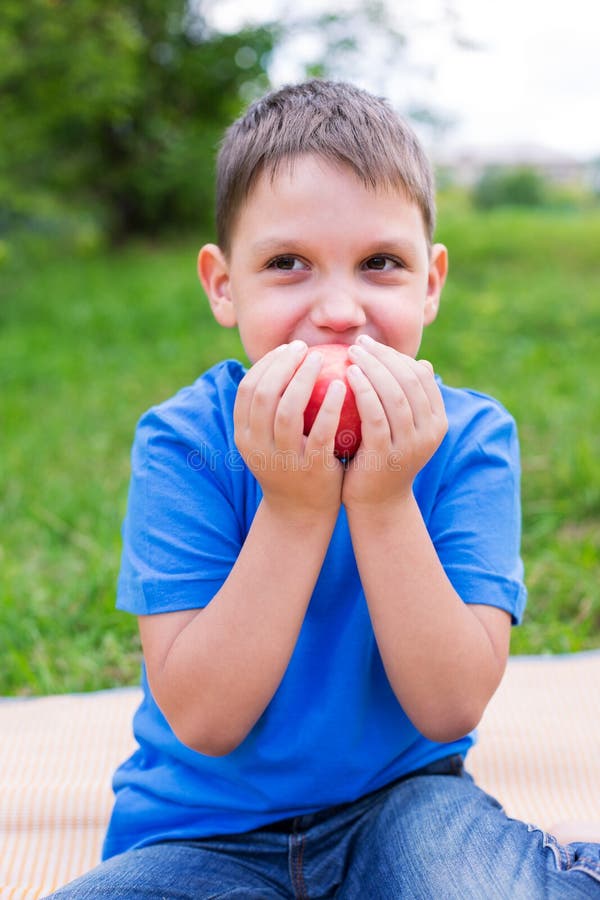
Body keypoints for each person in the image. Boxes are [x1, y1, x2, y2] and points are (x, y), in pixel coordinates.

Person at [47, 80, 600, 898]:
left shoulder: (469, 440)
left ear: (432, 282)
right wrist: (296, 505)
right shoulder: (185, 444)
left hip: (405, 810)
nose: (339, 310)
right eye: (287, 265)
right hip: (205, 835)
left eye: (381, 263)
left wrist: (382, 499)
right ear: (223, 283)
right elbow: (205, 719)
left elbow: (450, 707)